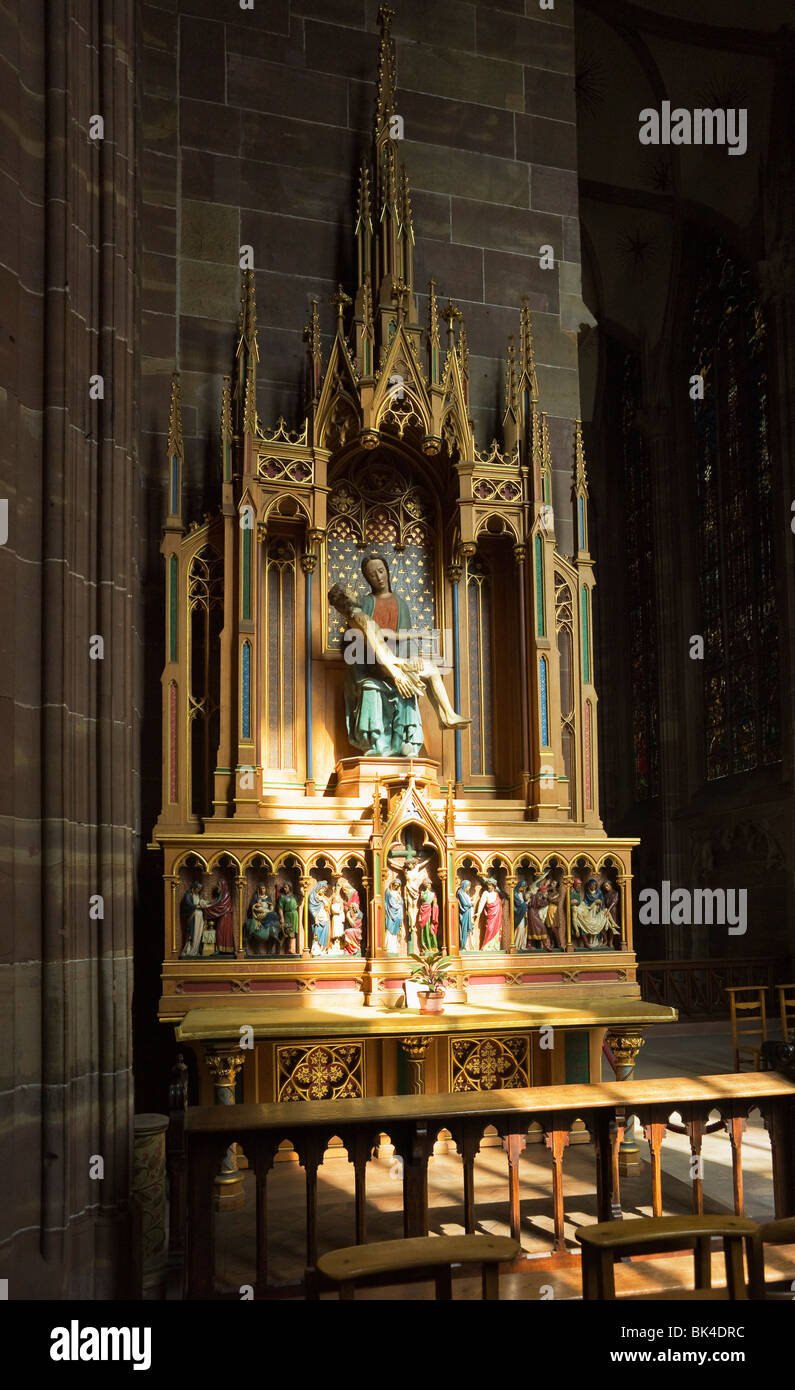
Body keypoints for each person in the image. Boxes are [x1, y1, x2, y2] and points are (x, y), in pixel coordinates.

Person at [329, 565, 469, 757]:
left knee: (427, 671)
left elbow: (392, 635)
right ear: (349, 597)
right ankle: (446, 716)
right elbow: (377, 647)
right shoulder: (362, 616)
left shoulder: (365, 615)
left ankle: (438, 721)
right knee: (431, 672)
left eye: (380, 570)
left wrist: (413, 651)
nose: (378, 577)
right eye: (371, 574)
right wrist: (396, 671)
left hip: (389, 659)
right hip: (378, 663)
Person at [245, 884, 281, 956]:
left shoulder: (268, 897)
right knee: (270, 915)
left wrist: (269, 908)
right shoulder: (256, 897)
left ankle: (269, 925)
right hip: (259, 913)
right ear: (259, 889)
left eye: (264, 888)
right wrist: (257, 904)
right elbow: (251, 906)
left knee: (275, 915)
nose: (262, 890)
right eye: (261, 888)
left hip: (266, 911)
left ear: (265, 889)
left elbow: (271, 905)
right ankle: (264, 923)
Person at [203, 879, 236, 955]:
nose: (217, 887)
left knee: (222, 931)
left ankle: (225, 949)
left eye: (218, 885)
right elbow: (218, 902)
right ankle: (219, 949)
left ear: (222, 886)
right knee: (220, 931)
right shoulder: (222, 894)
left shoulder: (226, 894)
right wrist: (210, 904)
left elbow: (221, 905)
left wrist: (208, 908)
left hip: (226, 916)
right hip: (223, 915)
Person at [181, 880, 208, 958]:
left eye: (200, 889)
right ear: (194, 887)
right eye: (198, 888)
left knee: (199, 933)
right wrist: (197, 906)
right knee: (193, 933)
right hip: (193, 916)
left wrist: (205, 903)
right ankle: (190, 950)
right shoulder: (188, 895)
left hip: (200, 916)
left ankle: (196, 950)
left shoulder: (198, 895)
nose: (198, 890)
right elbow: (188, 904)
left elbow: (201, 902)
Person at [477, 877, 503, 951]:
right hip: (491, 916)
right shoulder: (486, 894)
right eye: (488, 885)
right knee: (490, 929)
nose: (489, 886)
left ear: (494, 886)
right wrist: (479, 912)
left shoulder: (497, 894)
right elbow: (482, 903)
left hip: (497, 916)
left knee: (497, 930)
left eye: (490, 885)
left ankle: (495, 946)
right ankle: (487, 946)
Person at [416, 877, 439, 951]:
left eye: (429, 884)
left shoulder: (433, 893)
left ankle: (432, 946)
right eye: (426, 885)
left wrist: (434, 913)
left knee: (430, 928)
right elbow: (423, 899)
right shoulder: (422, 893)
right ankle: (425, 946)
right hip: (424, 911)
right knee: (424, 928)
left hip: (430, 912)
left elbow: (435, 904)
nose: (427, 886)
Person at [308, 881, 331, 954]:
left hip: (324, 918)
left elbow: (327, 906)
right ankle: (315, 949)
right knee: (316, 934)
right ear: (319, 887)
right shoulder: (312, 896)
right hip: (317, 919)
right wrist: (315, 918)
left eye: (324, 889)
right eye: (322, 888)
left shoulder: (323, 897)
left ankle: (322, 949)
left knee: (325, 934)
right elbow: (312, 908)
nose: (323, 890)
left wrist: (323, 900)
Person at [384, 876, 404, 955]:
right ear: (392, 884)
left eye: (397, 886)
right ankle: (388, 946)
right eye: (394, 885)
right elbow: (388, 902)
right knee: (389, 928)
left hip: (398, 913)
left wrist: (399, 904)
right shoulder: (388, 891)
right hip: (390, 913)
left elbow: (401, 902)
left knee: (397, 930)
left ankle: (394, 947)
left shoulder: (398, 893)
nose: (396, 887)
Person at [278, 880, 300, 955]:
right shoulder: (282, 897)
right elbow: (280, 908)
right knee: (287, 932)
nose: (285, 889)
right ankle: (284, 949)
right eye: (284, 887)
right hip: (287, 915)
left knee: (293, 932)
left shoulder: (294, 896)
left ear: (290, 887)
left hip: (294, 915)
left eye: (286, 887)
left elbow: (299, 901)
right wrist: (282, 918)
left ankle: (291, 949)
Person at [457, 878, 477, 952]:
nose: (469, 888)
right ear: (464, 885)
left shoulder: (466, 893)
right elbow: (464, 904)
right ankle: (464, 946)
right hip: (464, 914)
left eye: (469, 886)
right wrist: (472, 903)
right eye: (468, 886)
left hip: (469, 913)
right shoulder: (460, 893)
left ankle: (470, 946)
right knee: (464, 929)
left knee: (469, 929)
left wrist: (471, 900)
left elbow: (468, 902)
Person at [329, 882, 346, 954]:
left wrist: (343, 918)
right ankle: (335, 941)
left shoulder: (339, 905)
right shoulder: (333, 906)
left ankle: (339, 941)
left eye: (339, 899)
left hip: (339, 919)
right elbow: (335, 911)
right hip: (335, 918)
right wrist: (339, 910)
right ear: (334, 900)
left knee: (339, 931)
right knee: (335, 931)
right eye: (336, 899)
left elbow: (342, 912)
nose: (338, 900)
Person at [513, 879, 529, 951]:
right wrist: (526, 903)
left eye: (524, 888)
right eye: (522, 887)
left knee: (524, 929)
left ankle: (522, 944)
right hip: (518, 914)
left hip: (523, 914)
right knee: (520, 928)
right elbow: (519, 904)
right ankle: (516, 945)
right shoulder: (515, 894)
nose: (523, 889)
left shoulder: (521, 894)